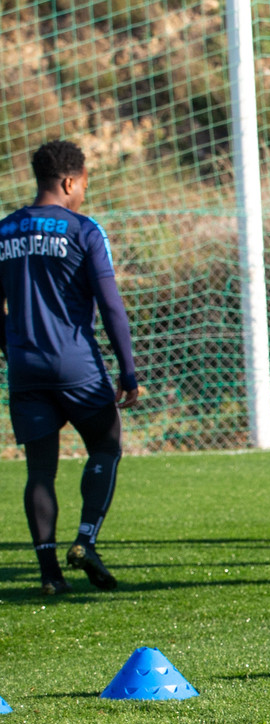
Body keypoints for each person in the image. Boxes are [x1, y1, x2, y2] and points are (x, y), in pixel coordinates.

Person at [0, 140, 140, 594]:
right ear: (67, 182)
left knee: (39, 470)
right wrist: (128, 370)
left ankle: (49, 575)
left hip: (25, 367)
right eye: (83, 184)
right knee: (106, 443)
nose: (83, 192)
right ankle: (85, 540)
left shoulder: (4, 231)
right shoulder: (83, 230)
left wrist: (11, 349)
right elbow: (111, 305)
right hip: (76, 365)